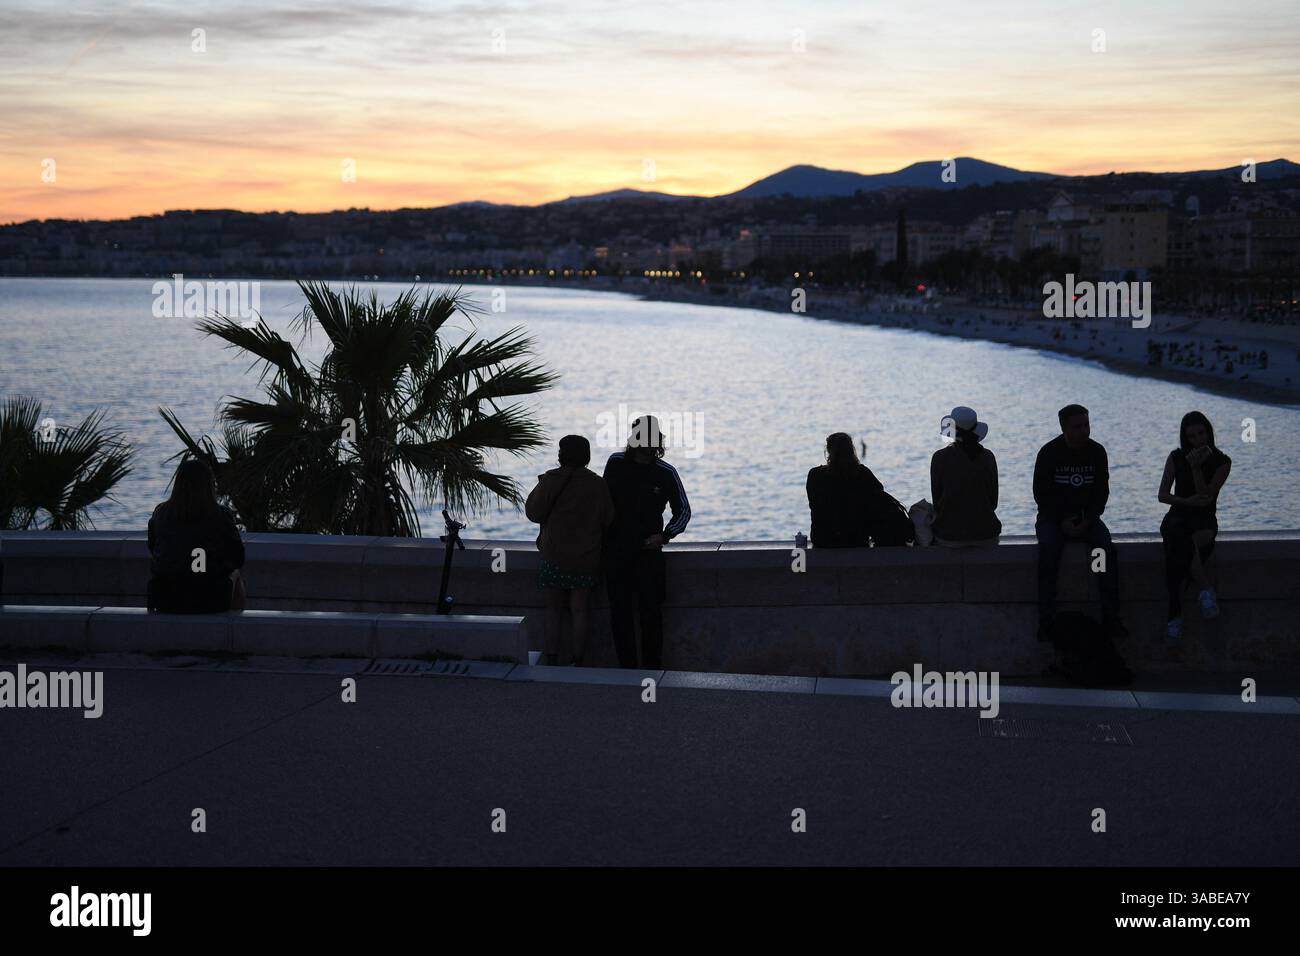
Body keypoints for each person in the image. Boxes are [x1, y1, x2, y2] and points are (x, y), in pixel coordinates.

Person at [602, 415, 691, 668]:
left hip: (647, 552)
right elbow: (602, 502)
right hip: (616, 551)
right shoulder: (615, 463)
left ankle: (652, 666)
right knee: (620, 612)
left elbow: (683, 510)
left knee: (650, 612)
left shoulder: (665, 472)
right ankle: (627, 667)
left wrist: (665, 536)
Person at [1032, 404, 1122, 639]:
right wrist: (1062, 521)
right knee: (1049, 555)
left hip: (1088, 520)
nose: (1084, 431)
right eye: (1077, 427)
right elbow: (1041, 494)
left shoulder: (1097, 452)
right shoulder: (1049, 453)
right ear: (1064, 428)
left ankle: (1110, 618)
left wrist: (1088, 520)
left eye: (1086, 425)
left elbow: (1101, 492)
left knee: (1102, 552)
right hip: (1052, 520)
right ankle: (1046, 621)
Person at [524, 435, 615, 666]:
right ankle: (578, 660)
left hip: (554, 556)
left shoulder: (551, 480)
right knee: (580, 610)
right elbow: (608, 518)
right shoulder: (597, 484)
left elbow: (533, 513)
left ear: (561, 455)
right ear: (586, 456)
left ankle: (552, 658)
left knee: (553, 610)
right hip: (586, 557)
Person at [1158, 411, 1231, 641]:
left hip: (1204, 520)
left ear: (1208, 432)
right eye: (1192, 436)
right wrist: (1184, 501)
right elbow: (1162, 495)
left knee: (1178, 552)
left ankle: (1174, 617)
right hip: (1177, 517)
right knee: (1179, 540)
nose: (1198, 439)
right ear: (1185, 438)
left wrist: (1197, 468)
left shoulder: (1222, 462)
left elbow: (1205, 498)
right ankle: (1206, 589)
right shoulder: (1176, 456)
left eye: (1202, 433)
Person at [147, 458, 246, 613]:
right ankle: (232, 630)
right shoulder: (221, 515)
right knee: (235, 575)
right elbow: (238, 558)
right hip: (210, 599)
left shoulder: (161, 514)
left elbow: (153, 548)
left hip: (166, 599)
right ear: (209, 485)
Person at [806, 432, 913, 548]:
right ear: (852, 450)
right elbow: (879, 499)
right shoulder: (862, 474)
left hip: (822, 539)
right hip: (856, 539)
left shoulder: (815, 475)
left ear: (828, 451)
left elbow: (814, 505)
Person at [930, 406, 1001, 547]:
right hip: (986, 534)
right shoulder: (988, 457)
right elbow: (993, 502)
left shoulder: (939, 458)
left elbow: (937, 504)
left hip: (949, 535)